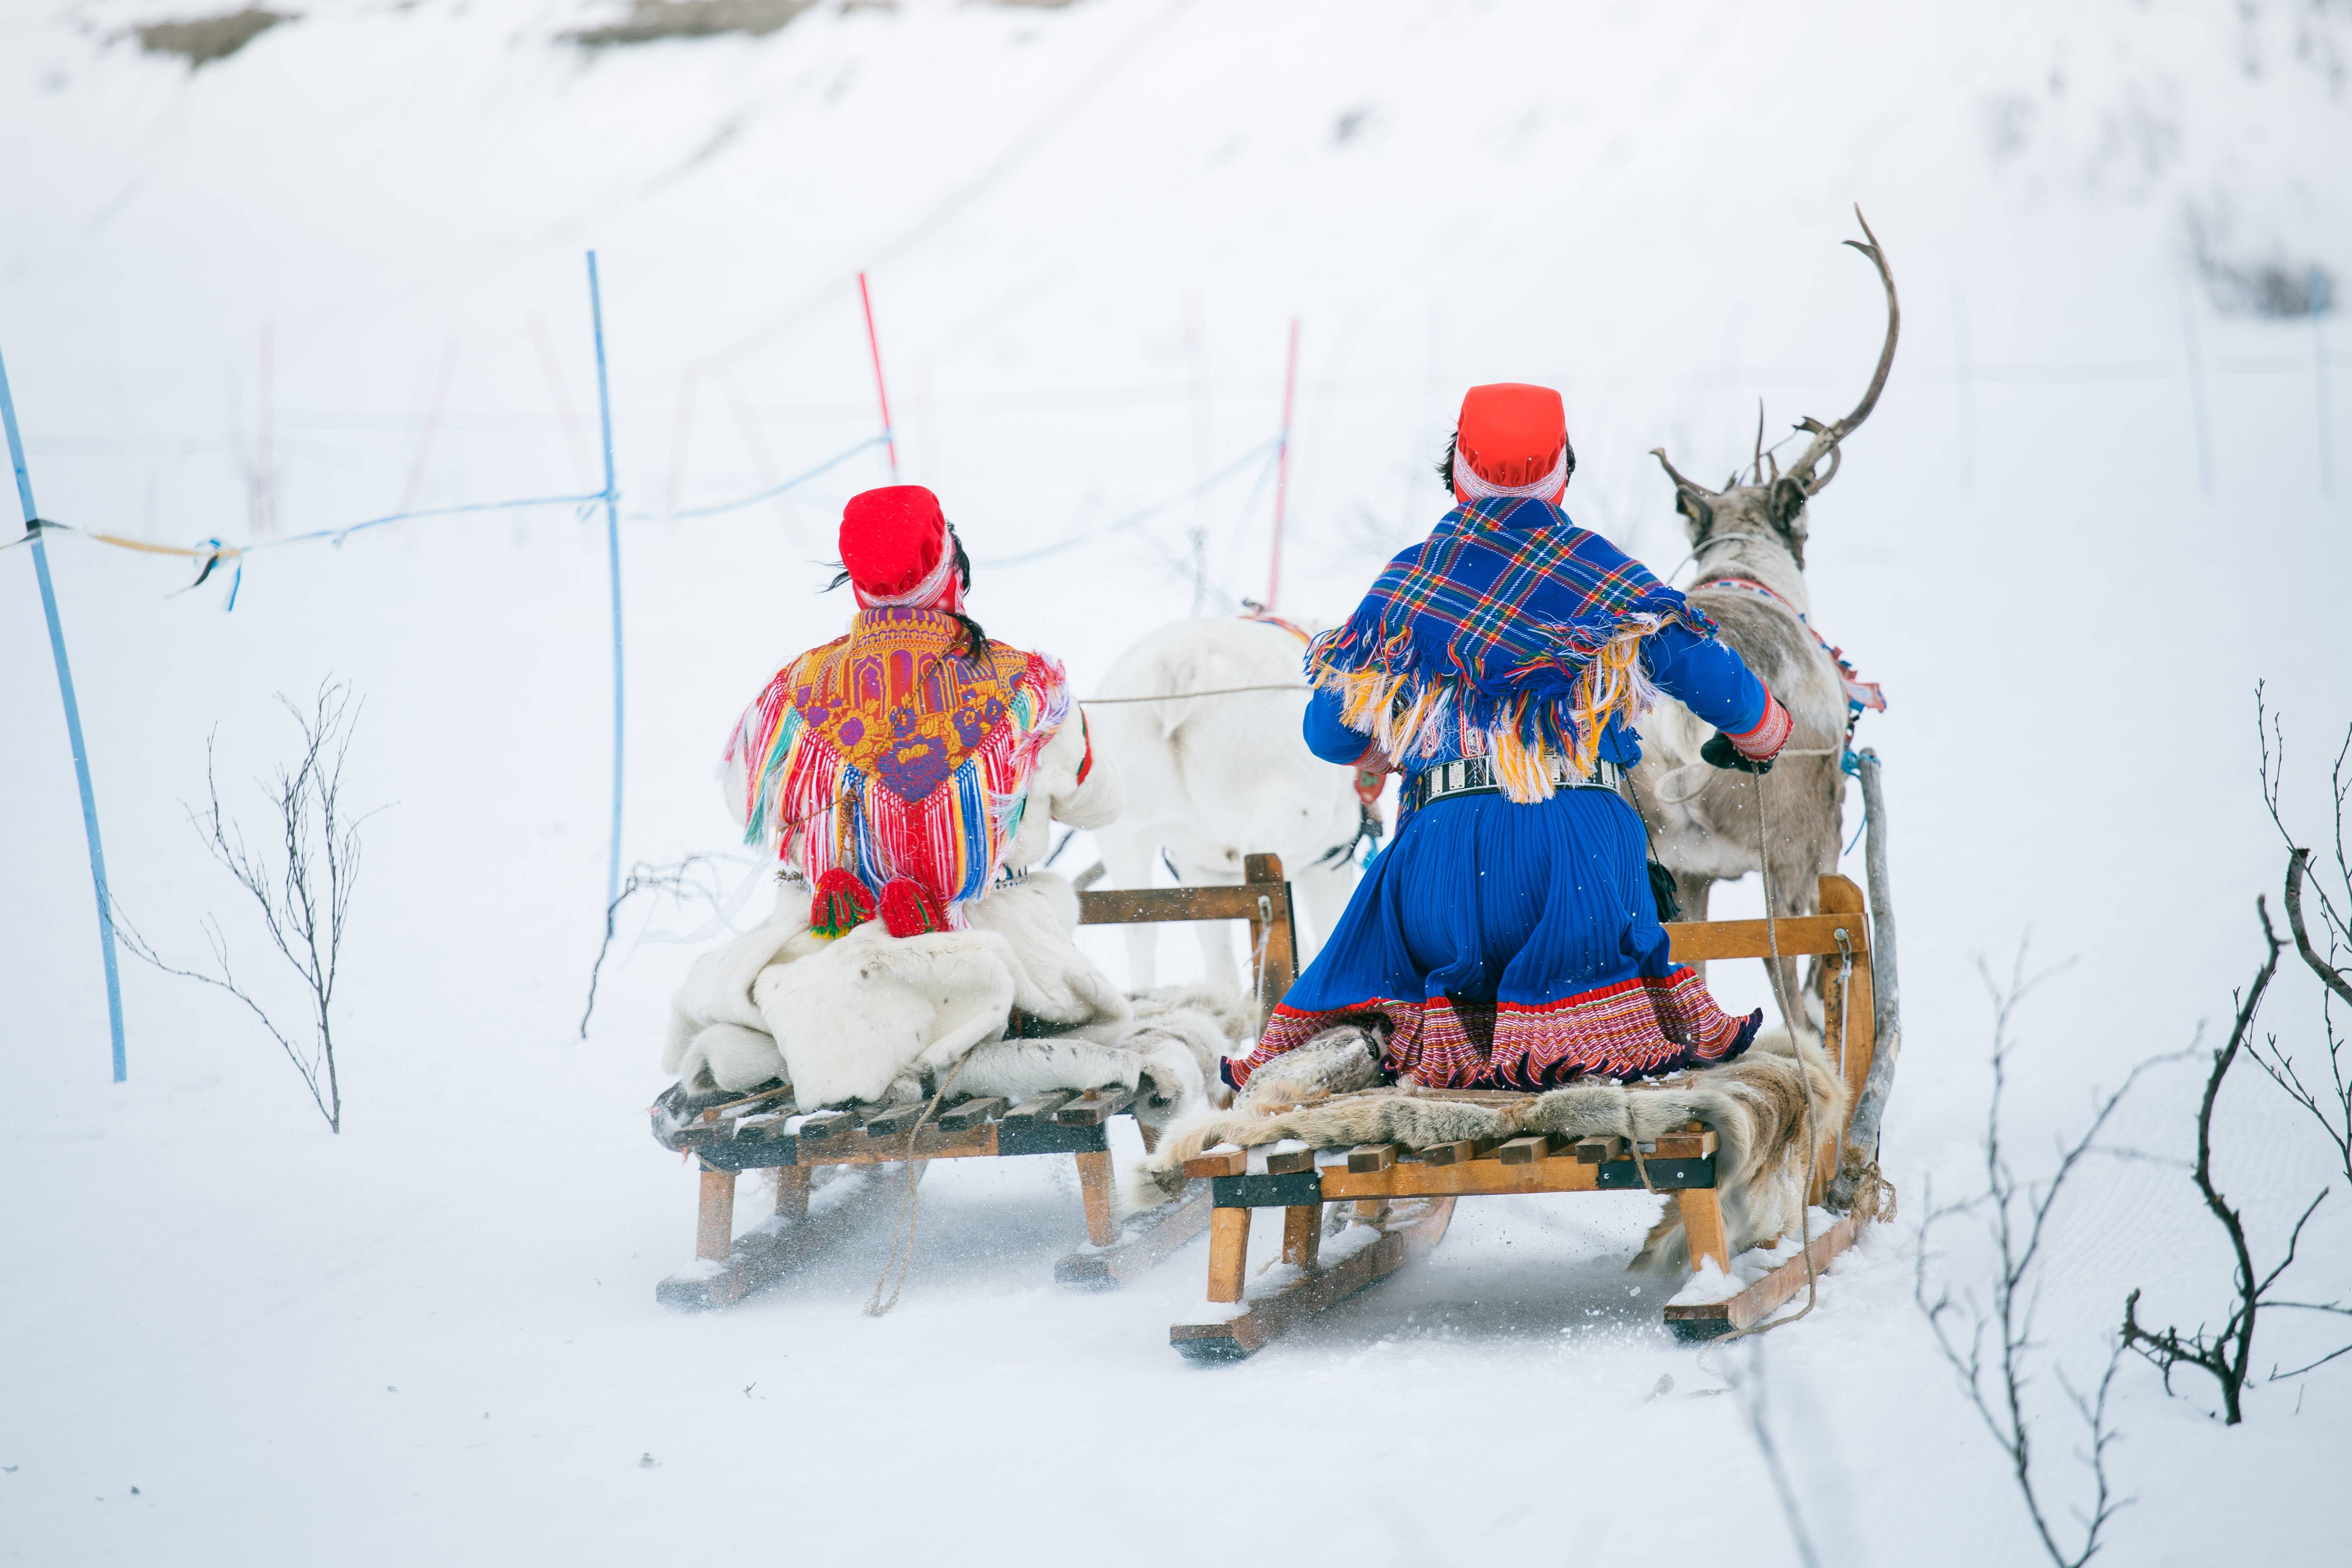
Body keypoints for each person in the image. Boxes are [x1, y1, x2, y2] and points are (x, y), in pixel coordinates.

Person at [1222, 384, 1791, 1093]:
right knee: (1605, 912)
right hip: (1574, 875)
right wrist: (1764, 730)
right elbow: (1712, 676)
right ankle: (1579, 1032)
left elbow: (1327, 734)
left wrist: (1388, 747)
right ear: (1563, 472)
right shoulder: (1603, 575)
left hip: (1439, 882)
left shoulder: (1409, 582)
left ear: (1457, 471)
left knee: (1404, 919)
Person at [720, 483, 1111, 935]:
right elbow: (1099, 805)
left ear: (856, 582)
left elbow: (741, 803)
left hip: (835, 927)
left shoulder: (790, 691)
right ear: (952, 571)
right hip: (993, 937)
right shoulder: (1032, 688)